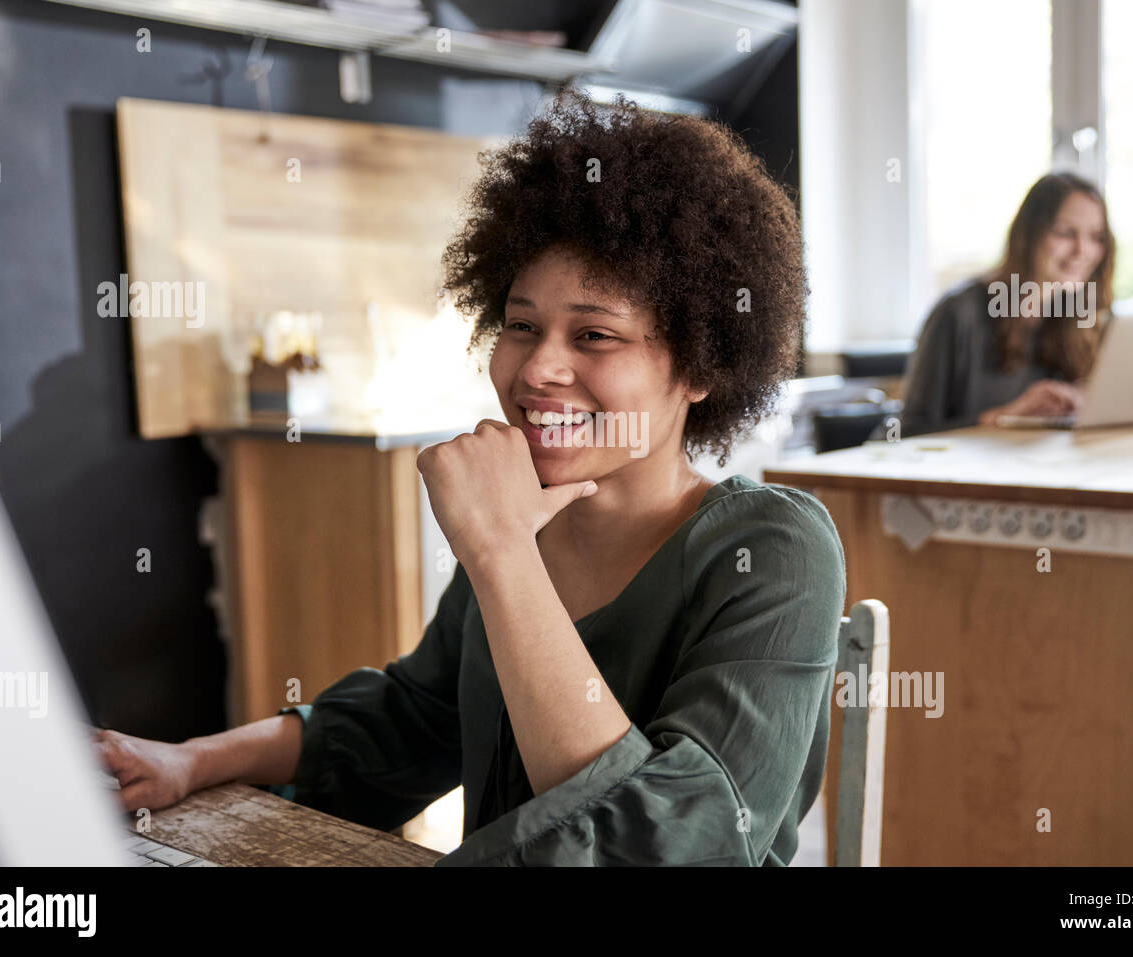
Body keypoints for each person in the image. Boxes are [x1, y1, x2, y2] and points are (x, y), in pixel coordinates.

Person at [95, 88, 846, 866]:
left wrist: (501, 551)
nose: (540, 367)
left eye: (594, 334)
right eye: (521, 325)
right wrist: (192, 760)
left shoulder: (776, 548)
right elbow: (408, 719)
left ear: (700, 367)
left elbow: (668, 847)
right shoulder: (526, 524)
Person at [900, 171, 1116, 436]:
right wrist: (1004, 416)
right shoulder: (959, 313)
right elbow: (909, 431)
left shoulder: (1085, 317)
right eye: (1065, 233)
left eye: (1096, 237)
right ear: (1029, 236)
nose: (1083, 251)